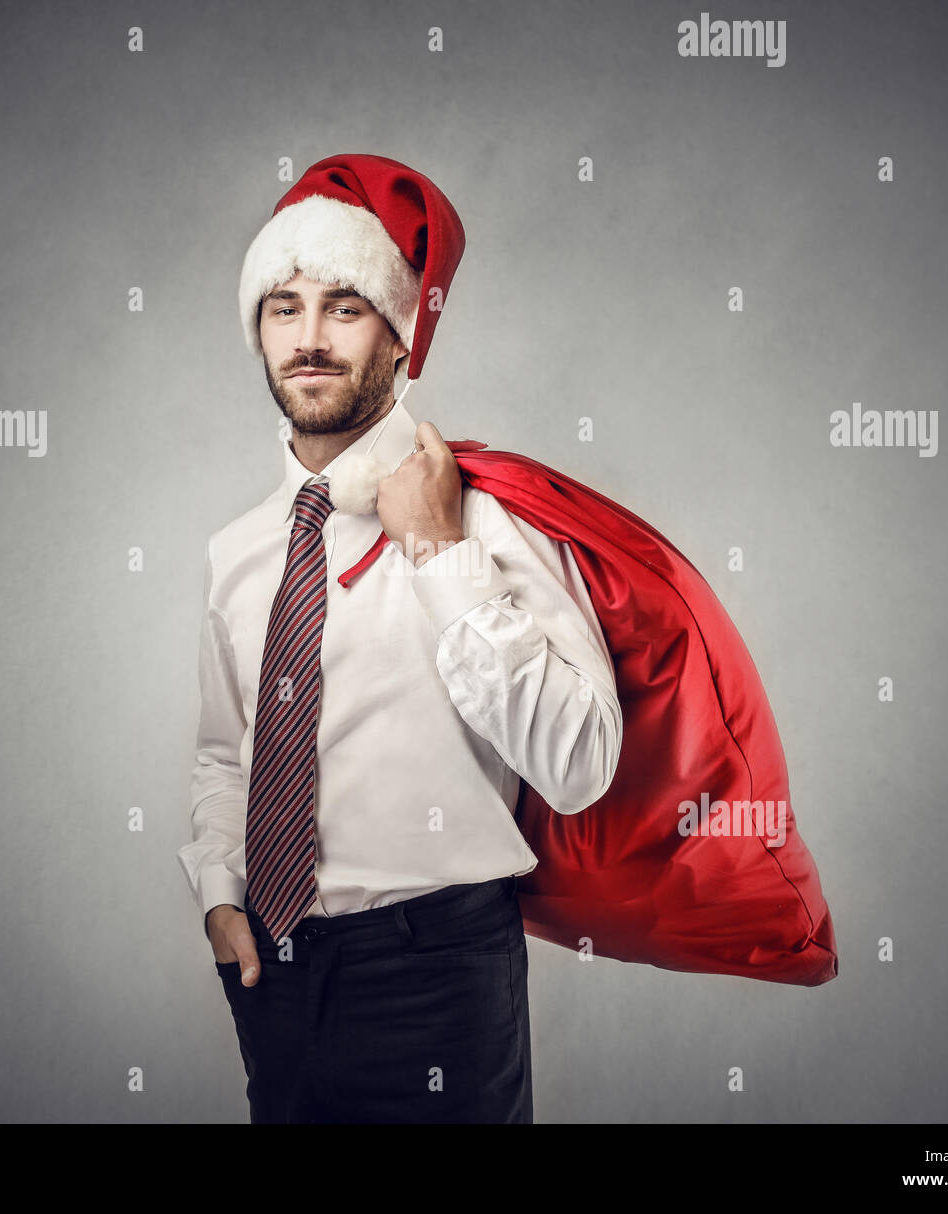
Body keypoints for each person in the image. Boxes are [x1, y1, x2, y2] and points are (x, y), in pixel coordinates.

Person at [177, 154, 623, 1123]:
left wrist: (436, 552)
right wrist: (219, 892)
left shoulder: (489, 519)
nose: (309, 337)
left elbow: (581, 761)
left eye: (345, 307)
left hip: (435, 977)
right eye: (284, 307)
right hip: (272, 975)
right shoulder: (239, 550)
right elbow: (224, 751)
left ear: (400, 335)